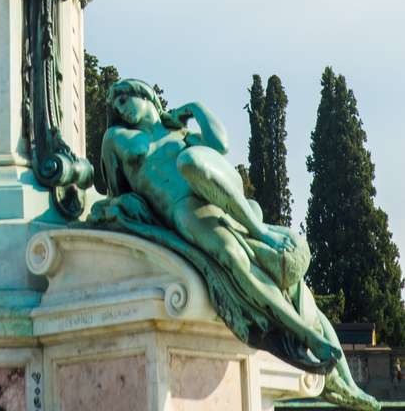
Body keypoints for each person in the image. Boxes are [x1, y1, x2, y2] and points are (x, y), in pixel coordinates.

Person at [96, 79, 378, 410]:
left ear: (148, 97)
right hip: (182, 211)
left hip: (220, 204)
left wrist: (194, 109)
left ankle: (347, 381)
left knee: (294, 285)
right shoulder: (116, 139)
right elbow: (116, 194)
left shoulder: (181, 136)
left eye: (126, 97)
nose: (120, 106)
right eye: (116, 103)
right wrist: (121, 207)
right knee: (232, 257)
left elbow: (220, 145)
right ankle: (307, 335)